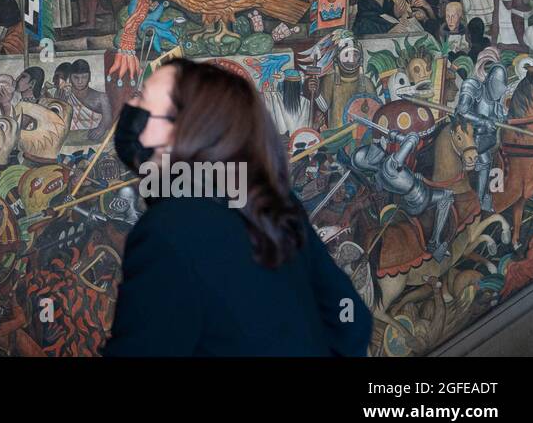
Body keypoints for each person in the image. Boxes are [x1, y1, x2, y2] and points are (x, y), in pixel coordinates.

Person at [102, 58, 371, 356]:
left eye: (143, 100)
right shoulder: (272, 202)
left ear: (184, 129)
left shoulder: (166, 230)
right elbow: (352, 321)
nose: (132, 105)